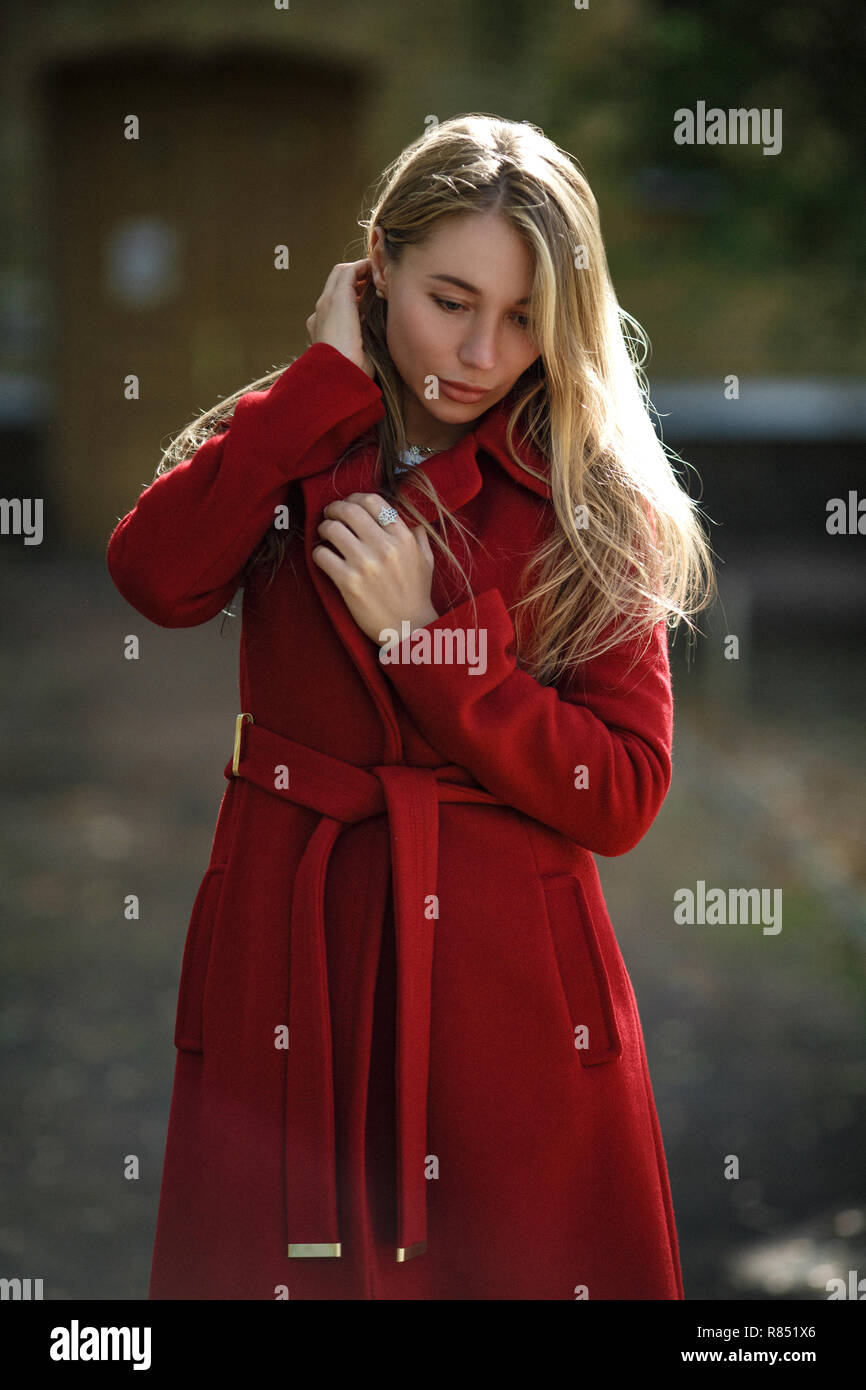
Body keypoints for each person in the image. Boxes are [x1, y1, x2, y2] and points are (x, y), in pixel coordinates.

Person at [106, 113, 716, 1300]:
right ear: (373, 265)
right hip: (290, 937)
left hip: (503, 980)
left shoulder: (590, 499)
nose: (482, 350)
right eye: (449, 297)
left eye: (526, 317)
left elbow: (623, 790)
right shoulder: (289, 432)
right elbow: (157, 577)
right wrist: (316, 389)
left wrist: (425, 646)